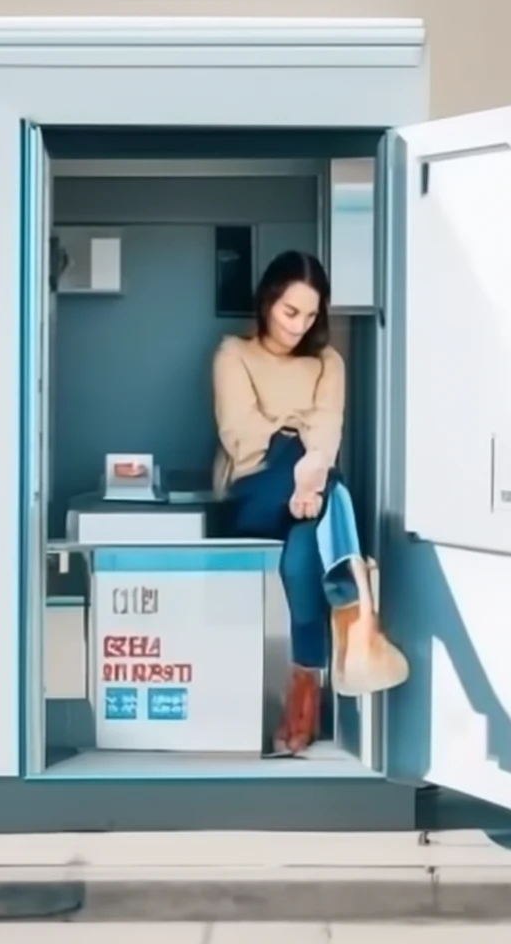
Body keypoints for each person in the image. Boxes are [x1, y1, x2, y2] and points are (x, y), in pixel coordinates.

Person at [212, 250, 379, 754]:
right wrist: (303, 454)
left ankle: (304, 688)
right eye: (290, 312)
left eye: (310, 316)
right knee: (329, 483)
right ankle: (363, 611)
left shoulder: (329, 361)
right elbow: (242, 435)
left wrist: (312, 466)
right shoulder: (233, 354)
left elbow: (329, 427)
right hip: (254, 489)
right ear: (268, 303)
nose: (299, 326)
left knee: (301, 559)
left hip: (311, 490)